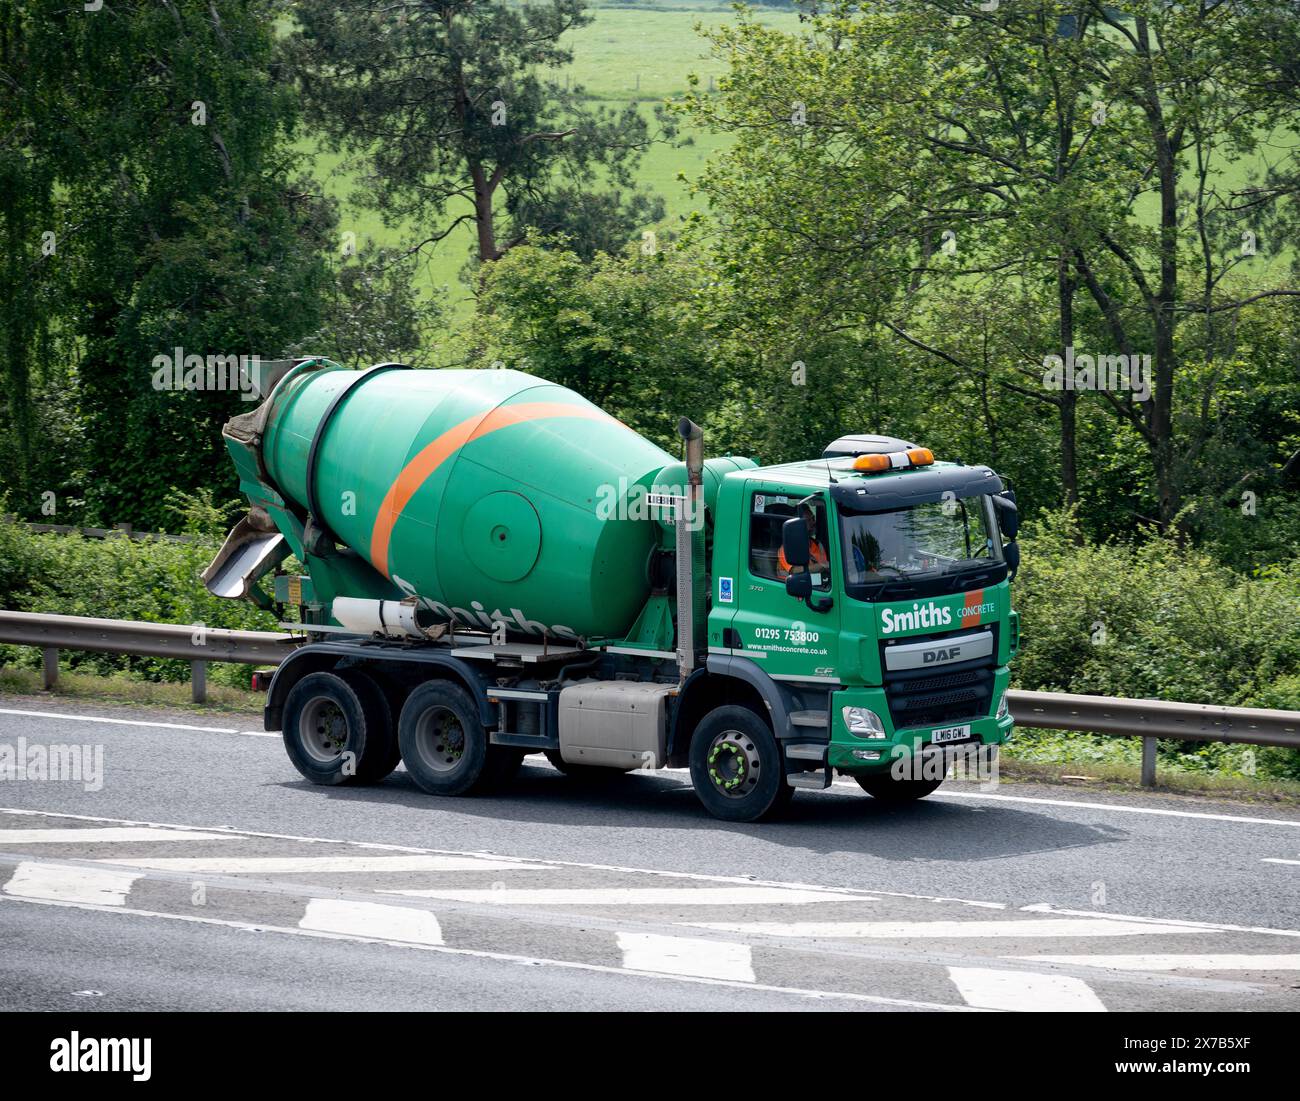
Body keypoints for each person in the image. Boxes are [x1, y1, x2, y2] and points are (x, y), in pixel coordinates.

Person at [778, 503, 829, 576]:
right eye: (808, 520)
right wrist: (822, 566)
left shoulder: (816, 544)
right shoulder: (786, 547)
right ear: (797, 525)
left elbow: (824, 565)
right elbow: (794, 570)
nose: (813, 522)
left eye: (813, 518)